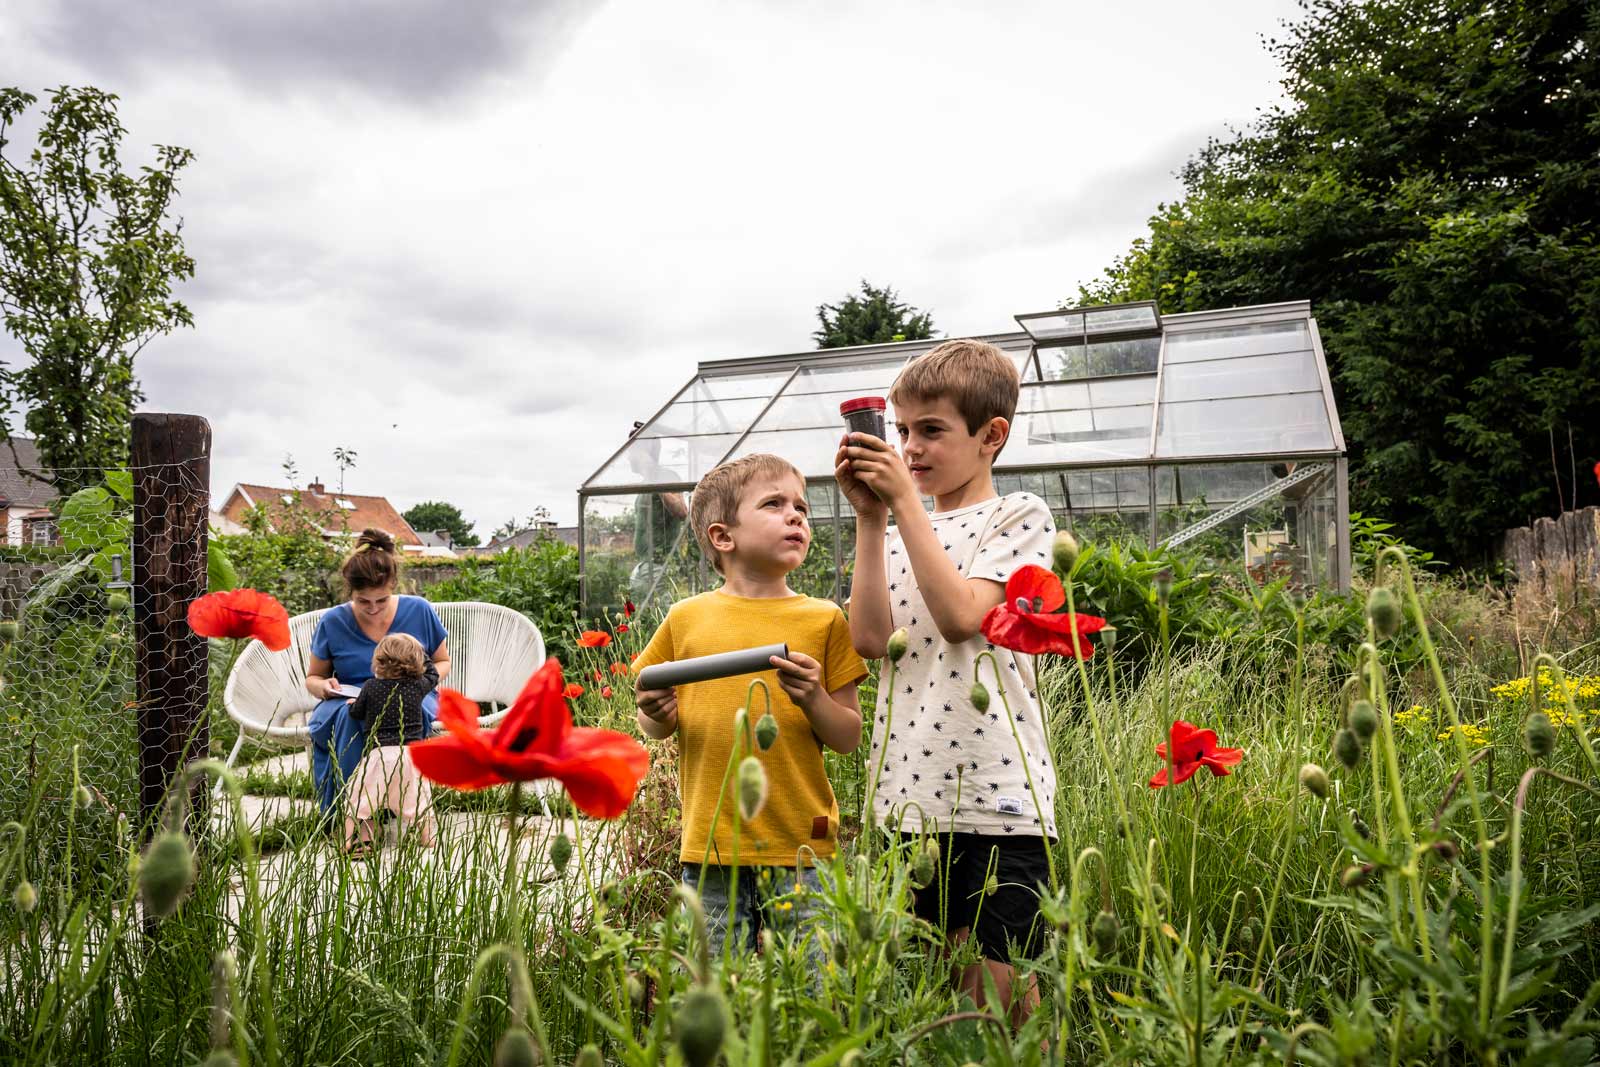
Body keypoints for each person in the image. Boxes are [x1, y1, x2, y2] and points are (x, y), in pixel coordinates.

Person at [836, 339, 1058, 1026]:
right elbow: (869, 639)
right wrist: (872, 518)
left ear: (992, 436)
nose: (910, 448)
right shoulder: (898, 530)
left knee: (998, 996)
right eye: (902, 431)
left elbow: (965, 617)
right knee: (937, 1000)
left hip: (999, 797)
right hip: (910, 799)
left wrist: (904, 502)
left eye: (931, 430)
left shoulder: (1018, 515)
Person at [632, 453, 866, 961]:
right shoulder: (686, 619)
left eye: (801, 507)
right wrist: (656, 713)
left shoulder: (825, 619)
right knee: (716, 985)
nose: (796, 515)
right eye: (774, 504)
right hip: (712, 844)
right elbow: (651, 714)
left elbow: (848, 737)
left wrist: (814, 698)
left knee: (809, 986)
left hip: (801, 845)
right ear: (723, 537)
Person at [305, 529, 451, 818]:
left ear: (393, 586)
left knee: (406, 709)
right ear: (350, 592)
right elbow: (313, 678)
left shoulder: (419, 610)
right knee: (351, 715)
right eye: (363, 601)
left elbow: (442, 661)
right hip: (347, 697)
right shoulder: (333, 621)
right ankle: (350, 812)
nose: (373, 609)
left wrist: (418, 683)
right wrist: (324, 687)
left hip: (411, 690)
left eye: (381, 600)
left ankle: (403, 804)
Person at [343, 633, 440, 854]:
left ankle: (347, 839)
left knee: (359, 798)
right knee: (418, 798)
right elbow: (433, 674)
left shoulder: (371, 686)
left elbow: (357, 712)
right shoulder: (417, 685)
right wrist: (421, 654)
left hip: (379, 754)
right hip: (409, 756)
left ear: (379, 661)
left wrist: (352, 704)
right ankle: (426, 837)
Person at [627, 421, 689, 602]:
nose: (629, 458)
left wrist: (652, 473)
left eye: (632, 452)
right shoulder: (644, 484)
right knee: (641, 611)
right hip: (646, 563)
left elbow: (682, 511)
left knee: (660, 612)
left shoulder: (665, 476)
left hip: (662, 564)